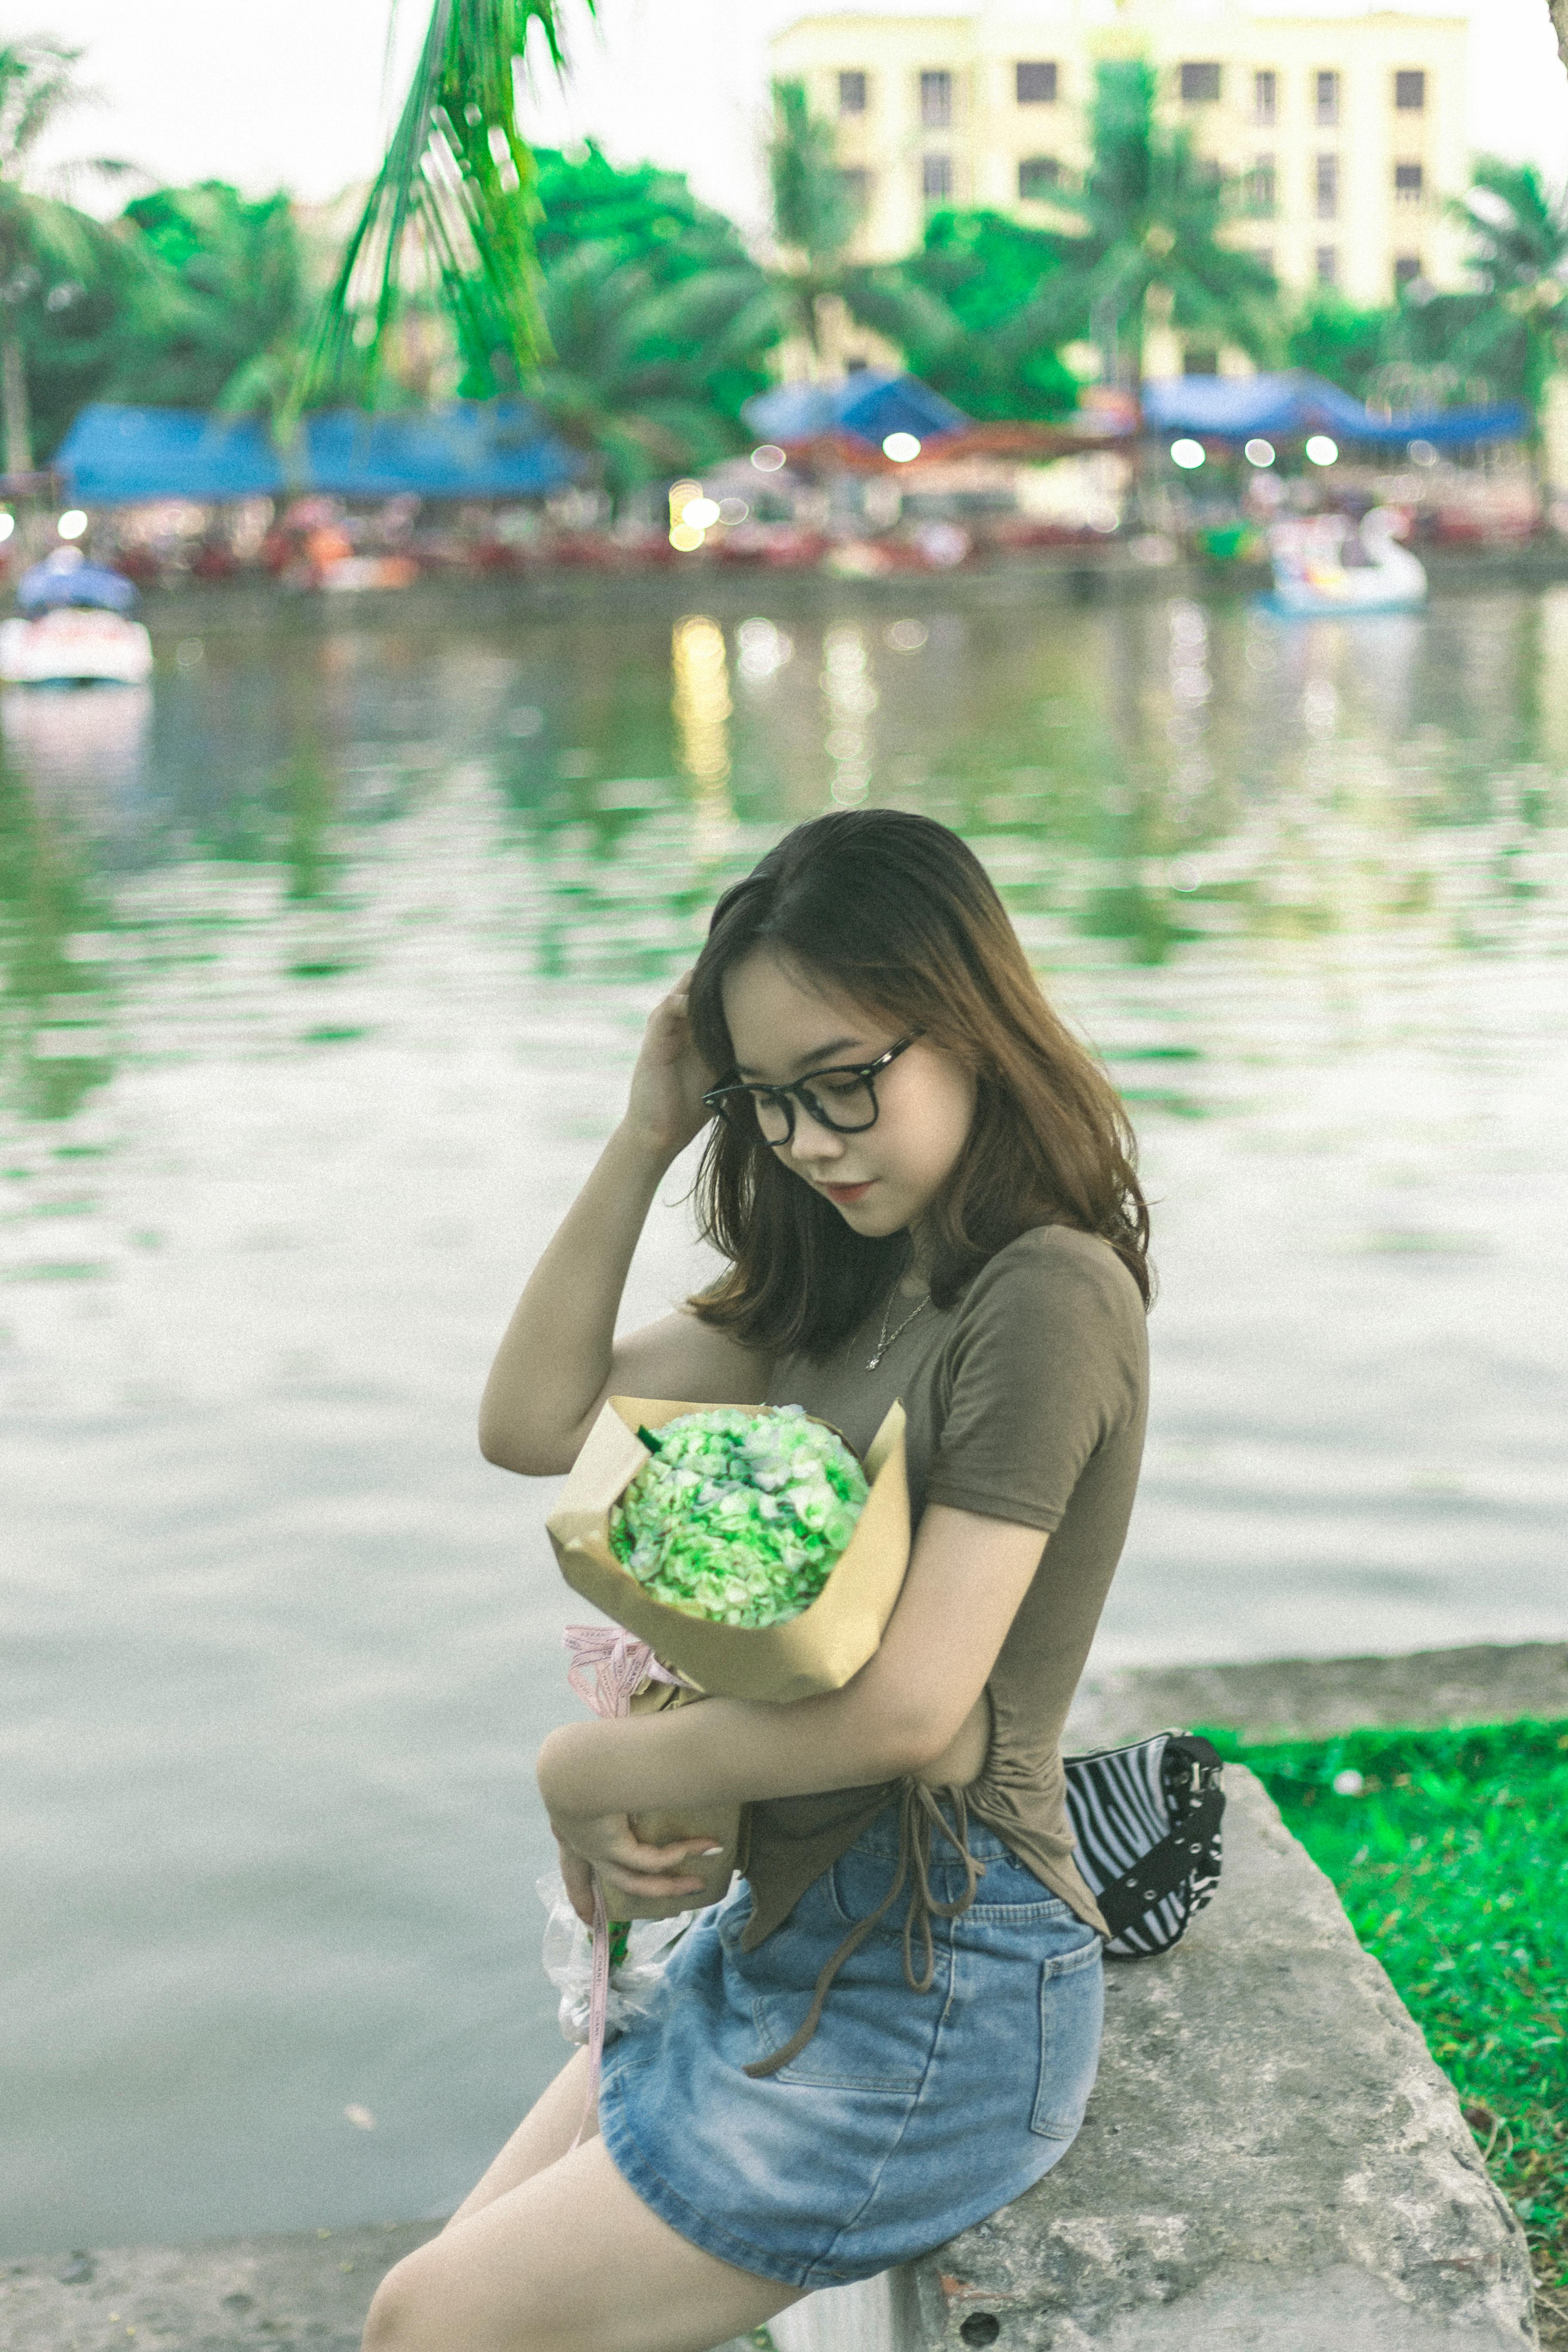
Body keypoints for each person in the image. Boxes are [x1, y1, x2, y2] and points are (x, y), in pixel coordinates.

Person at [363, 810, 1151, 2352]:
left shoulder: (1046, 1294)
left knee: (429, 2323)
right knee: (437, 2303)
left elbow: (917, 1713)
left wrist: (586, 1762)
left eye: (845, 1083)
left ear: (974, 1020)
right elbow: (528, 1424)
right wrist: (651, 1129)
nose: (810, 1143)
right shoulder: (845, 1283)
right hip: (788, 1938)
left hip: (945, 1987)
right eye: (771, 1103)